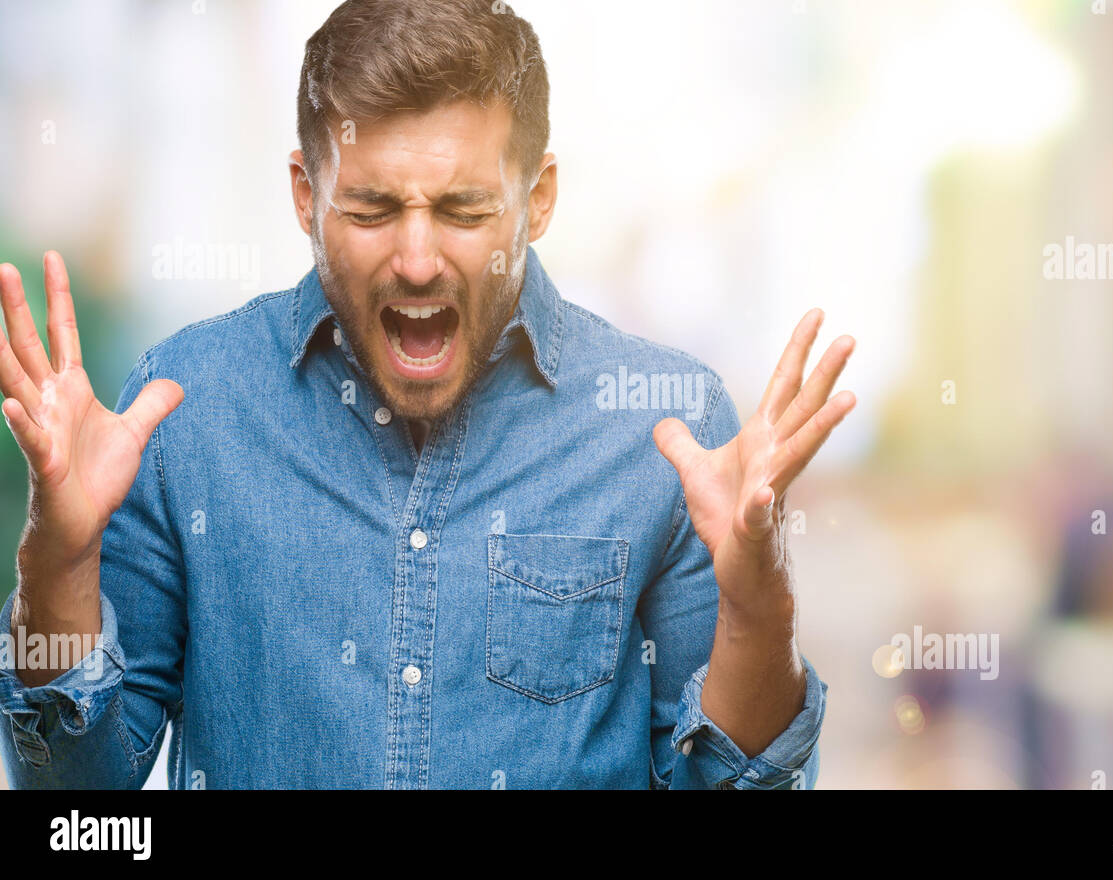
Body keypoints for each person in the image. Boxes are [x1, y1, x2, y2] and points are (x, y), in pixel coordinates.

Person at [0, 0, 855, 789]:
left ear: (539, 198)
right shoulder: (186, 409)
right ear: (306, 195)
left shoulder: (666, 428)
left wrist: (757, 610)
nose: (416, 259)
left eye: (463, 209)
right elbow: (75, 802)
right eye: (371, 210)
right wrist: (58, 562)